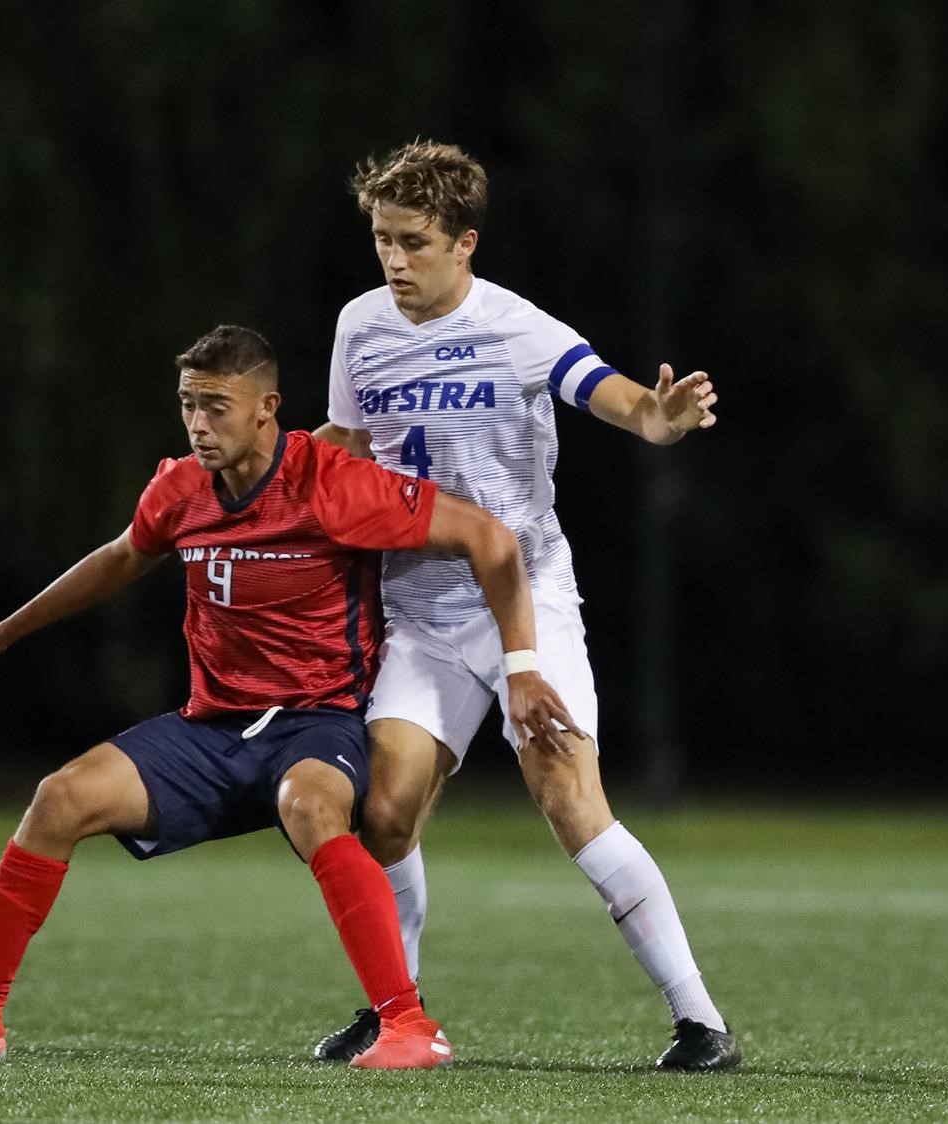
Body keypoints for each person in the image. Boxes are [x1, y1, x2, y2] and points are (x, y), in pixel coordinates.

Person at [0, 325, 573, 1070]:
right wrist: (2, 633)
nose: (197, 424)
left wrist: (522, 664)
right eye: (188, 405)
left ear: (266, 408)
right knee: (58, 798)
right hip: (212, 731)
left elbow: (490, 538)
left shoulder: (331, 483)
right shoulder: (181, 489)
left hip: (319, 721)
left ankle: (408, 1025)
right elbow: (122, 556)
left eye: (216, 406)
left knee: (313, 805)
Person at [311, 140, 737, 1071]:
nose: (393, 259)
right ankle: (397, 1013)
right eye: (381, 239)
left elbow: (616, 396)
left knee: (568, 797)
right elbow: (344, 442)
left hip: (526, 600)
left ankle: (701, 1021)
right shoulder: (359, 326)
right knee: (382, 815)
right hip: (419, 609)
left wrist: (658, 419)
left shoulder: (515, 327)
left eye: (413, 241)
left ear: (464, 243)